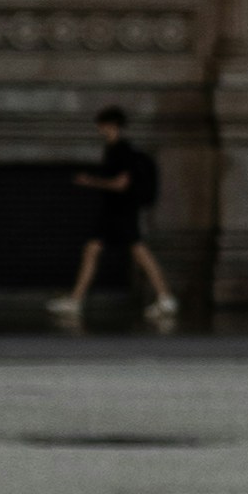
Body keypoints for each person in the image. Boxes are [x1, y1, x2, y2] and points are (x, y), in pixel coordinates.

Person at [51, 104, 174, 335]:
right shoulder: (115, 149)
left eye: (102, 125)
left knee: (133, 252)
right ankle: (76, 300)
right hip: (117, 211)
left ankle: (165, 296)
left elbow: (121, 184)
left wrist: (90, 182)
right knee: (98, 249)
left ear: (111, 126)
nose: (99, 129)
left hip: (119, 211)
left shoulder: (120, 151)